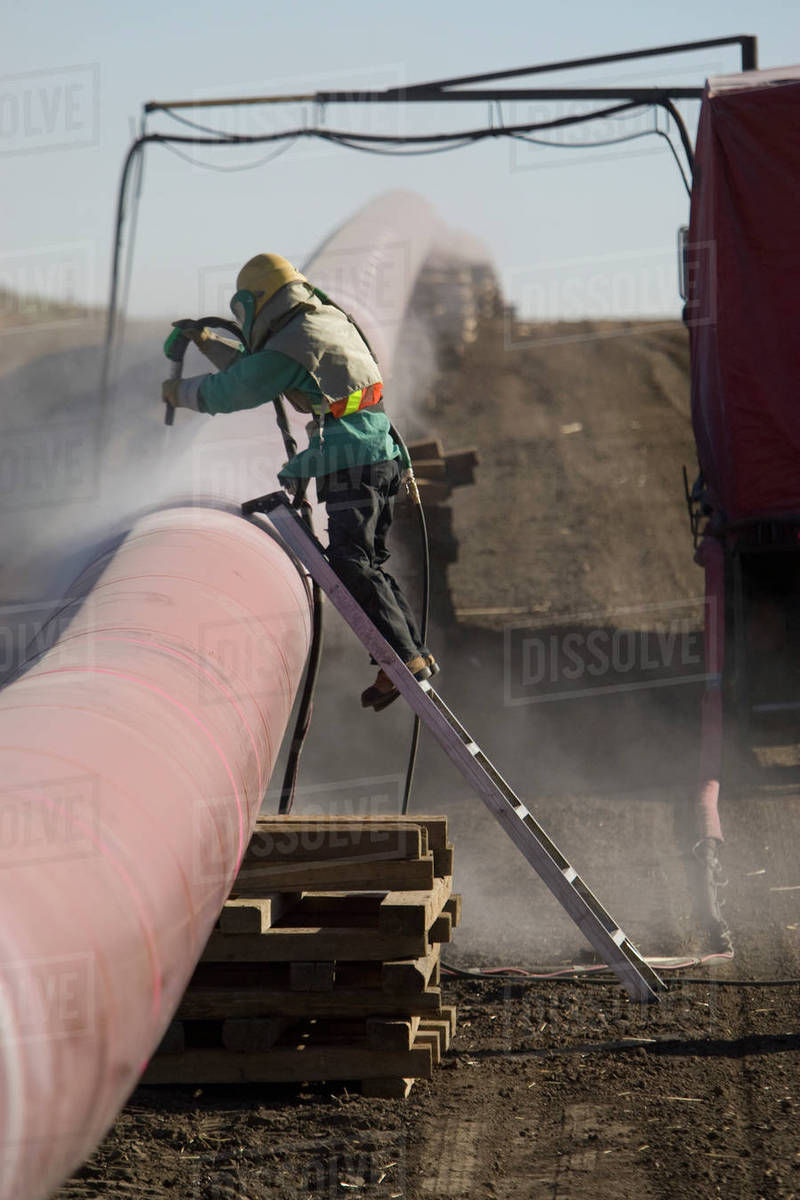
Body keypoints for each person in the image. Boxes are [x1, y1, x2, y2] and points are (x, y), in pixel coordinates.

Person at [162, 252, 437, 711]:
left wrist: (182, 392)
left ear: (256, 303)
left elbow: (236, 388)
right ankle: (411, 655)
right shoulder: (322, 320)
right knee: (367, 560)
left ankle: (401, 658)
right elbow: (258, 368)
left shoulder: (292, 341)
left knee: (349, 563)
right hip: (381, 450)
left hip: (352, 458)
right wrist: (207, 341)